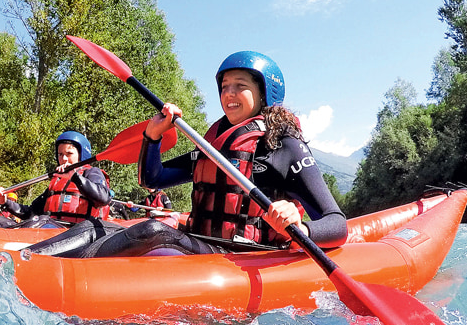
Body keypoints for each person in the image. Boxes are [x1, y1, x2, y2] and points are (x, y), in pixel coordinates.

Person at [26, 51, 347, 257]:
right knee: (89, 228)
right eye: (224, 87)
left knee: (152, 228)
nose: (229, 94)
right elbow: (153, 178)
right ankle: (24, 261)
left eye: (240, 85)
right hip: (201, 243)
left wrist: (301, 228)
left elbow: (337, 224)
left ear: (264, 92)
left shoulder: (283, 145)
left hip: (242, 255)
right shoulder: (213, 144)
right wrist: (152, 137)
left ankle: (66, 275)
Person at [0, 131, 113, 228]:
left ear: (81, 154)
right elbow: (31, 213)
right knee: (0, 221)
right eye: (60, 154)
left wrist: (74, 177)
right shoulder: (58, 181)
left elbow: (103, 198)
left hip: (82, 233)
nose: (64, 159)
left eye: (69, 154)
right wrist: (5, 202)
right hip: (53, 231)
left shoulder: (92, 172)